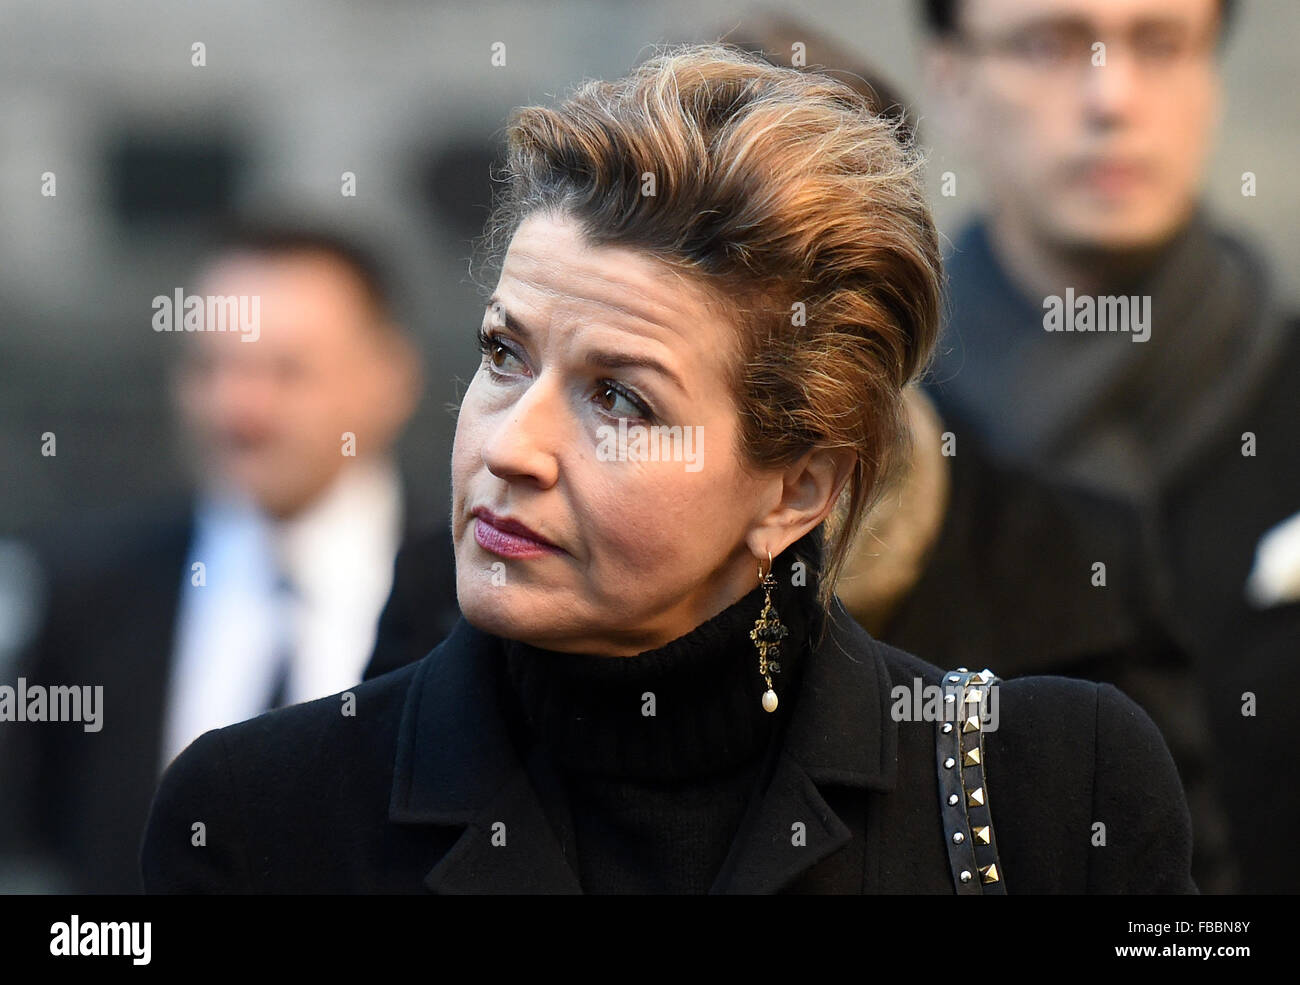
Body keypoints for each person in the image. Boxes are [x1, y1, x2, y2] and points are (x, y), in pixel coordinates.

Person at [141, 43, 1194, 894]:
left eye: (620, 399)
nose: (510, 445)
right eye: (504, 355)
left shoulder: (1049, 786)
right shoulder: (256, 817)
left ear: (797, 490)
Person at [918, 0, 1299, 891]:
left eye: (1161, 43)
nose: (1111, 98)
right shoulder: (859, 440)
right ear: (951, 79)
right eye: (1047, 44)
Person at [0, 223, 454, 894]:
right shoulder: (82, 594)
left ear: (389, 379)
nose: (237, 407)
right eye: (210, 367)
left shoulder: (467, 596)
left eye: (285, 370)